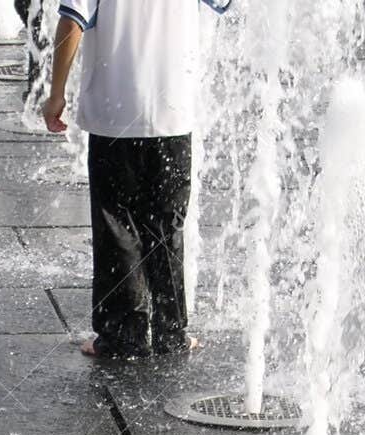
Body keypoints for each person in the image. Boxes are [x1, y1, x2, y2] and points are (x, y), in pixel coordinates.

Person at [42, 0, 229, 359]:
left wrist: (55, 95)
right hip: (173, 113)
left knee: (117, 222)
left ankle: (123, 334)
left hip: (115, 112)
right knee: (166, 224)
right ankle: (169, 331)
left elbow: (71, 22)